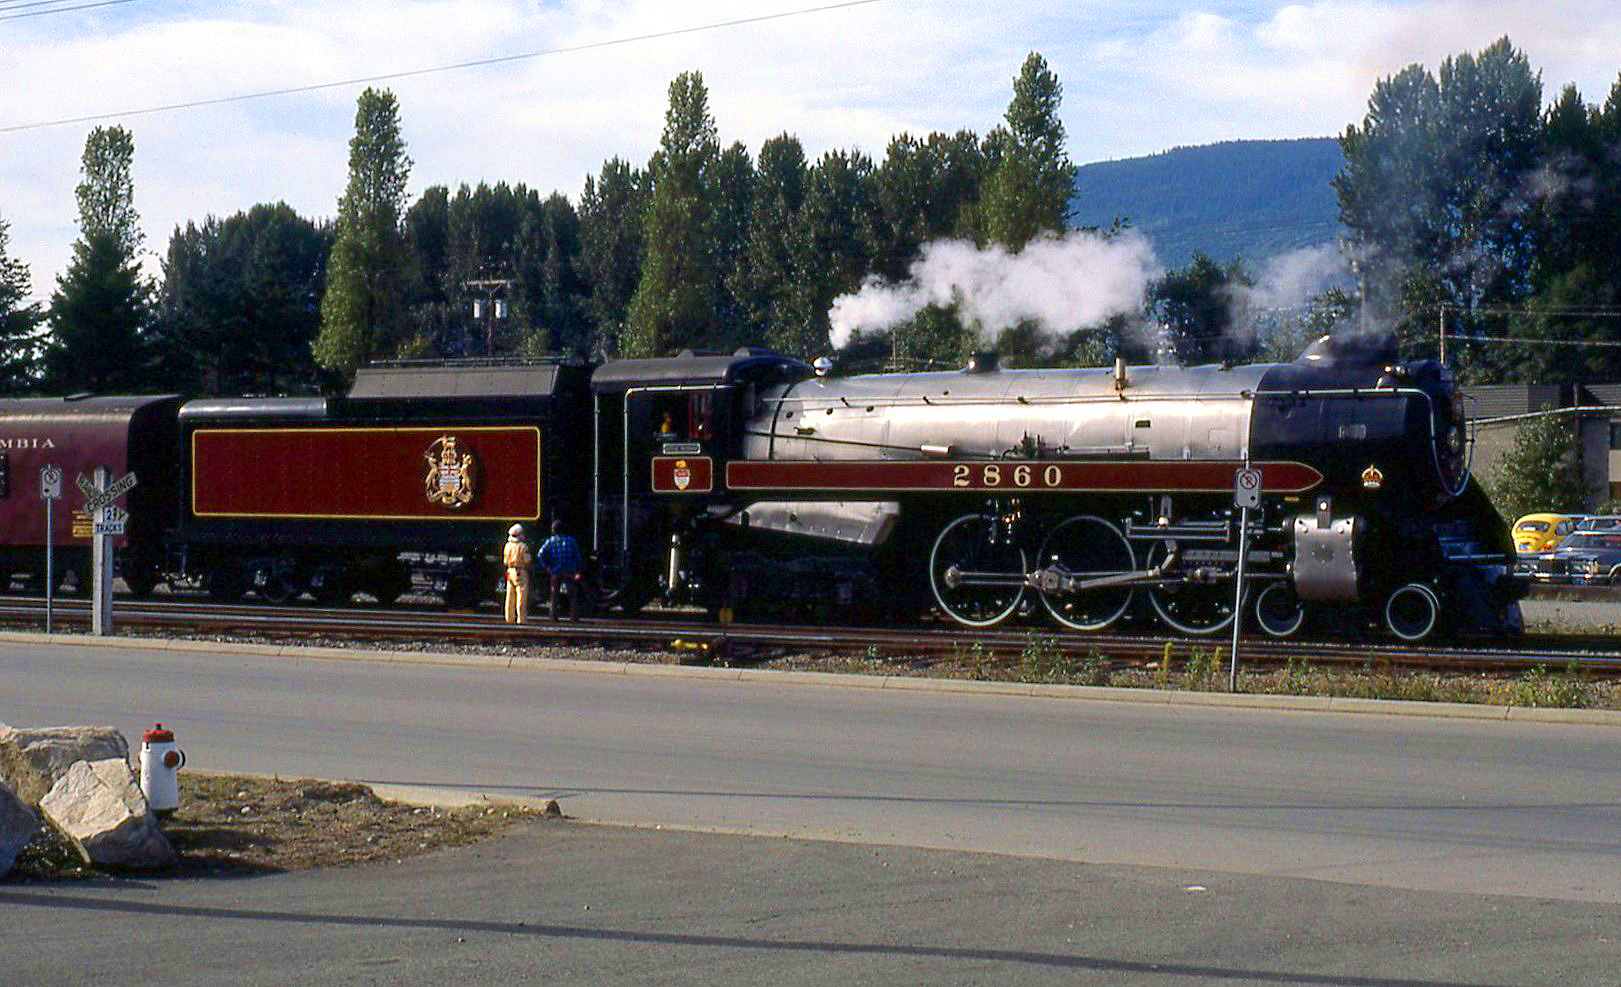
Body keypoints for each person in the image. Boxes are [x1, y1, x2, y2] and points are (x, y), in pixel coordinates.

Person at [538, 519, 584, 620]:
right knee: (572, 596)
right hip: (570, 571)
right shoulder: (571, 541)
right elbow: (577, 557)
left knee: (554, 595)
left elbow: (540, 554)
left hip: (555, 571)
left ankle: (553, 616)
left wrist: (547, 566)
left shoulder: (550, 541)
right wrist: (578, 570)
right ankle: (574, 616)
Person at [502, 524, 532, 624]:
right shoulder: (523, 546)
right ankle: (521, 619)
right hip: (520, 571)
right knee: (521, 596)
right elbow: (527, 561)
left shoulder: (507, 545)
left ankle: (509, 617)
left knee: (509, 596)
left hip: (509, 571)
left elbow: (505, 561)